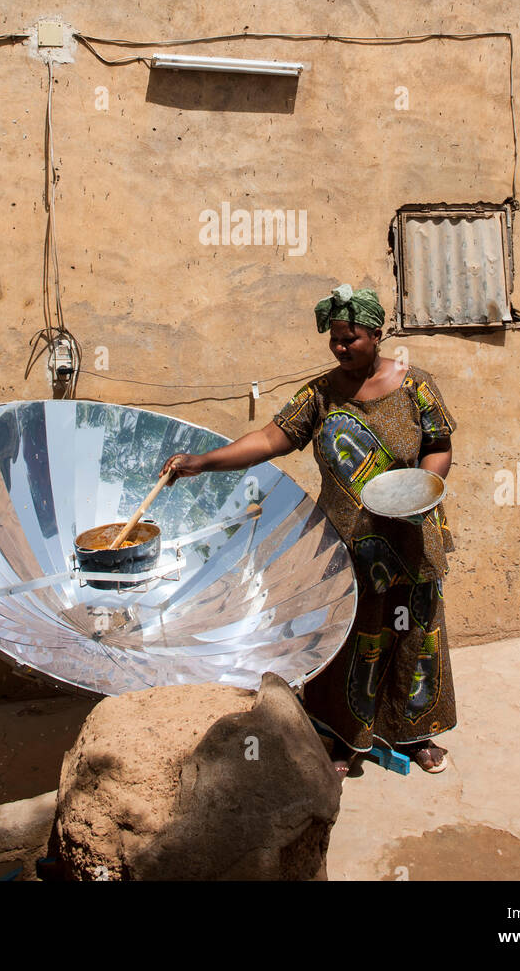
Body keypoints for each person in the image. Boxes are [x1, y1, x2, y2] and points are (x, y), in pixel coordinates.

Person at [160, 282, 457, 779]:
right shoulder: (320, 395)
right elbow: (272, 438)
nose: (342, 347)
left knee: (415, 632)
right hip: (349, 542)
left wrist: (424, 488)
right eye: (335, 339)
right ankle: (343, 739)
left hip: (411, 539)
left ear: (378, 334)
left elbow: (440, 443)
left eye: (352, 338)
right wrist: (204, 462)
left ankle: (415, 732)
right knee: (352, 638)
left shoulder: (416, 386)